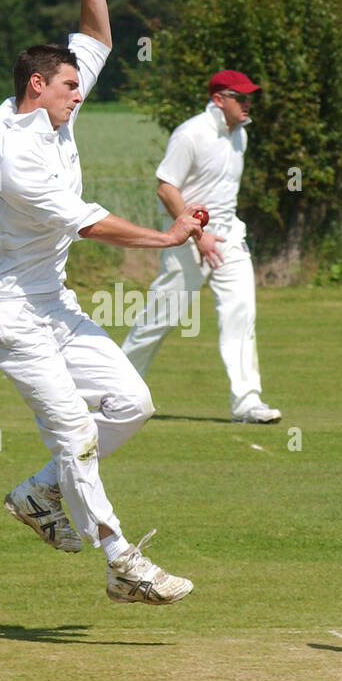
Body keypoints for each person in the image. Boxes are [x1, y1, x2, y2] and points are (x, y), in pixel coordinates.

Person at [0, 0, 203, 604]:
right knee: (76, 430)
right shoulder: (16, 160)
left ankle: (40, 493)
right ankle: (120, 558)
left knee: (132, 402)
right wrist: (167, 239)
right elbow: (94, 223)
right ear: (38, 86)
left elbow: (96, 38)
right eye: (70, 87)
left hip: (54, 304)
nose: (81, 94)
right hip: (12, 314)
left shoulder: (50, 106)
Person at [120, 71, 281, 423]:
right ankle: (111, 392)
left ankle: (247, 403)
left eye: (249, 97)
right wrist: (198, 235)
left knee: (241, 314)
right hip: (186, 241)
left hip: (229, 239)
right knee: (160, 319)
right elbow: (166, 188)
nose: (247, 104)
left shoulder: (241, 136)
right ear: (218, 99)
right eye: (240, 97)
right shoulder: (191, 133)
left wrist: (216, 235)